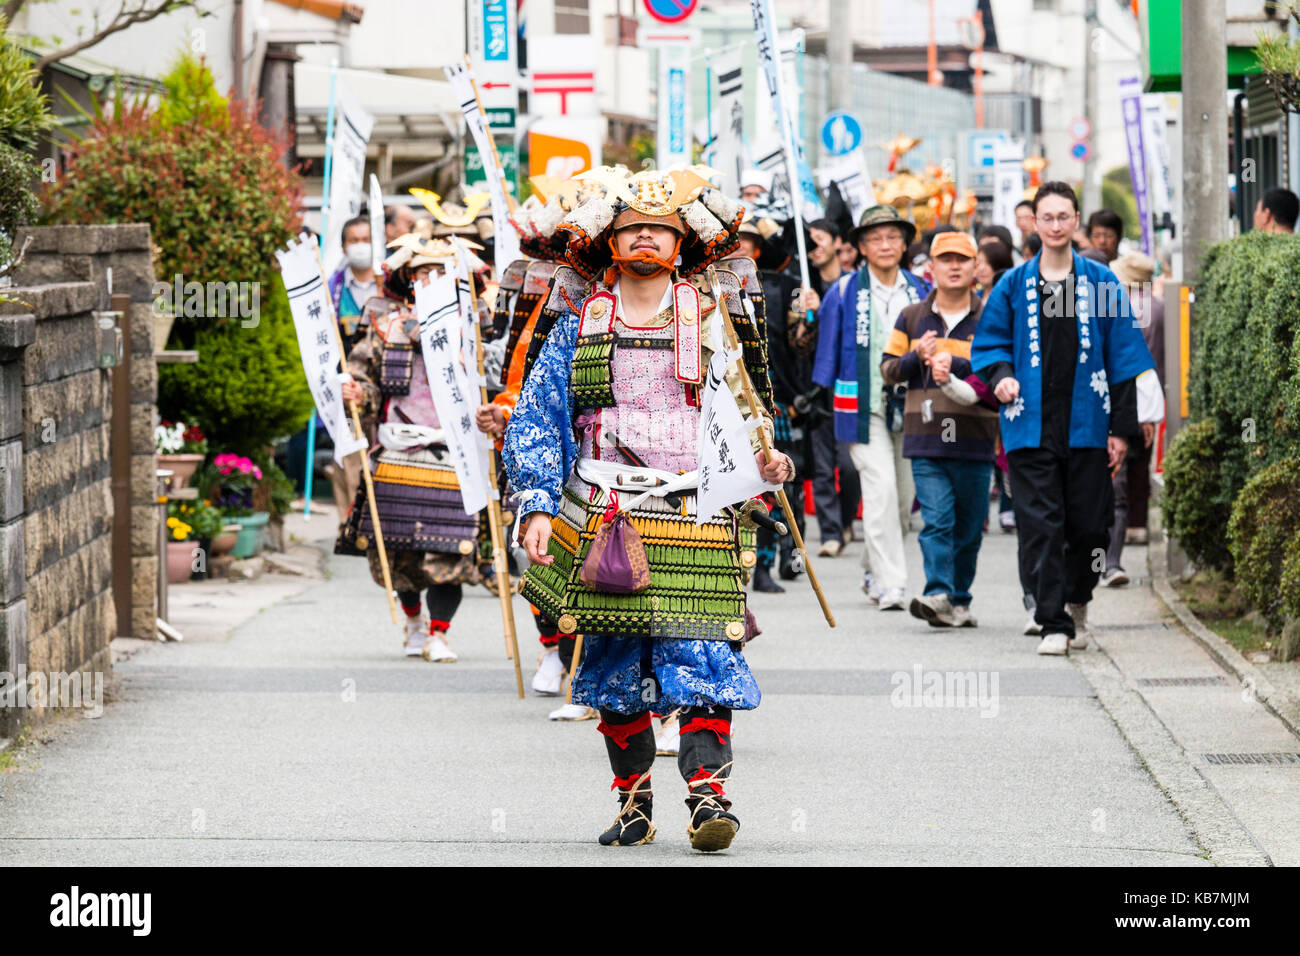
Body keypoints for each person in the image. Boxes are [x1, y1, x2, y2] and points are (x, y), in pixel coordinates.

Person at [503, 166, 791, 852]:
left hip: (694, 507)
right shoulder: (579, 325)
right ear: (608, 242)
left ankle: (707, 799)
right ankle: (633, 803)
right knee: (610, 663)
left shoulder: (714, 324)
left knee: (704, 654)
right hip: (604, 511)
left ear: (682, 243)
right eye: (632, 228)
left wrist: (765, 462)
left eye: (659, 231)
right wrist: (538, 506)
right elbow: (538, 420)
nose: (645, 241)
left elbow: (747, 412)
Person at [971, 181, 1154, 655]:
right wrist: (1003, 377)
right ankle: (1052, 620)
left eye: (1063, 216)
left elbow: (1125, 359)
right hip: (1028, 423)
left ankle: (1077, 600)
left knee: (1091, 526)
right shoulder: (1012, 285)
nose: (1054, 225)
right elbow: (989, 345)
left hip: (1088, 425)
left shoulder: (1102, 282)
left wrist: (1122, 431)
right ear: (1033, 222)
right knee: (1041, 525)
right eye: (1045, 217)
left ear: (1076, 221)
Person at [336, 232, 484, 662]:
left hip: (453, 451)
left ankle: (440, 632)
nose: (432, 278)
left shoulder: (474, 325)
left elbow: (494, 380)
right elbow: (365, 374)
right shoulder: (387, 325)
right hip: (400, 450)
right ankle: (414, 619)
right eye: (423, 272)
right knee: (397, 550)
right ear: (409, 277)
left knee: (449, 547)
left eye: (441, 271)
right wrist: (356, 393)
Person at [813, 205, 932, 610]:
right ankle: (892, 584)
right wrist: (819, 394)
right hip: (862, 406)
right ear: (861, 246)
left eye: (893, 238)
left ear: (904, 244)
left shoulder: (921, 289)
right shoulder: (844, 291)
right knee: (879, 490)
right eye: (875, 238)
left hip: (912, 406)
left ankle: (871, 567)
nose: (885, 245)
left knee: (901, 500)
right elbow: (826, 350)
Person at [880, 231, 999, 628]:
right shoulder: (912, 316)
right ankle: (937, 593)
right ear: (930, 268)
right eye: (945, 260)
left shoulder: (992, 318)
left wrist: (957, 367)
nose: (953, 266)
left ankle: (959, 598)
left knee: (968, 527)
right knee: (937, 520)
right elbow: (888, 369)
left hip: (976, 437)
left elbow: (998, 371)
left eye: (961, 260)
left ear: (975, 268)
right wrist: (918, 355)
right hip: (925, 435)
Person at [1103, 251, 1165, 580]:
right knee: (1130, 475)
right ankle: (1123, 545)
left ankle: (1106, 560)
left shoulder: (1117, 306)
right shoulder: (1158, 307)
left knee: (1115, 481)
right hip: (1144, 399)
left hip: (1118, 399)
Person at [326, 215, 378, 521]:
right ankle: (350, 523)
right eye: (354, 240)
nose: (361, 247)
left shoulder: (391, 285)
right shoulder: (332, 288)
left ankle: (380, 521)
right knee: (347, 453)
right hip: (346, 385)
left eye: (366, 240)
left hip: (383, 384)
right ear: (344, 246)